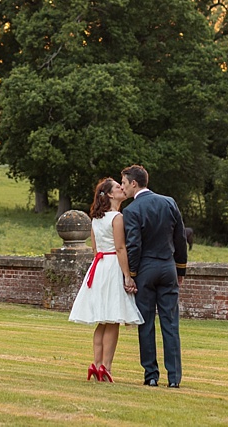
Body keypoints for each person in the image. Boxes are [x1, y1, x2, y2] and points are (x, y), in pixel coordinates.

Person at [69, 177, 144, 383]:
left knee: (102, 320)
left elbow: (95, 249)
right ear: (111, 194)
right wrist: (127, 276)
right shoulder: (116, 217)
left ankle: (95, 363)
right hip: (111, 265)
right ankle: (106, 366)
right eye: (119, 188)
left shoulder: (95, 219)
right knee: (112, 319)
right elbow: (120, 248)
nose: (123, 189)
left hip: (99, 266)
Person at [120, 164, 187, 388]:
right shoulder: (169, 202)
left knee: (146, 324)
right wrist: (181, 269)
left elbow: (134, 246)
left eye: (124, 183)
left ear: (134, 183)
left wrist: (132, 274)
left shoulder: (131, 210)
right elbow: (180, 239)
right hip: (168, 267)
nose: (123, 188)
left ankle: (151, 375)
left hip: (146, 270)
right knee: (170, 323)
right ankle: (174, 378)